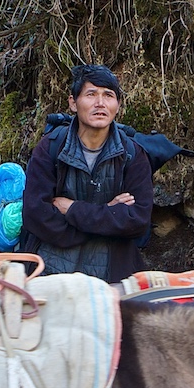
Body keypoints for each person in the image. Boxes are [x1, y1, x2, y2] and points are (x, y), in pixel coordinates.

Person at [18, 63, 153, 281]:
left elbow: (137, 221)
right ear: (73, 102)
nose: (100, 103)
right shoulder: (51, 147)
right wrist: (107, 214)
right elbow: (36, 215)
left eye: (108, 95)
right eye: (91, 94)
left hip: (111, 278)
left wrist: (72, 210)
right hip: (50, 273)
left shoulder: (132, 154)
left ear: (118, 105)